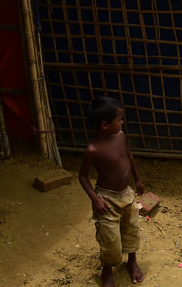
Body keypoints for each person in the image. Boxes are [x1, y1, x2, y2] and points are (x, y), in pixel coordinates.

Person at [79, 96, 145, 287]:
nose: (122, 122)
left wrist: (138, 178)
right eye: (120, 119)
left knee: (131, 230)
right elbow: (82, 176)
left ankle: (132, 260)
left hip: (127, 194)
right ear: (105, 125)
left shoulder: (121, 136)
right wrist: (95, 199)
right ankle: (107, 269)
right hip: (107, 200)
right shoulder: (93, 150)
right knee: (110, 239)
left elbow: (129, 157)